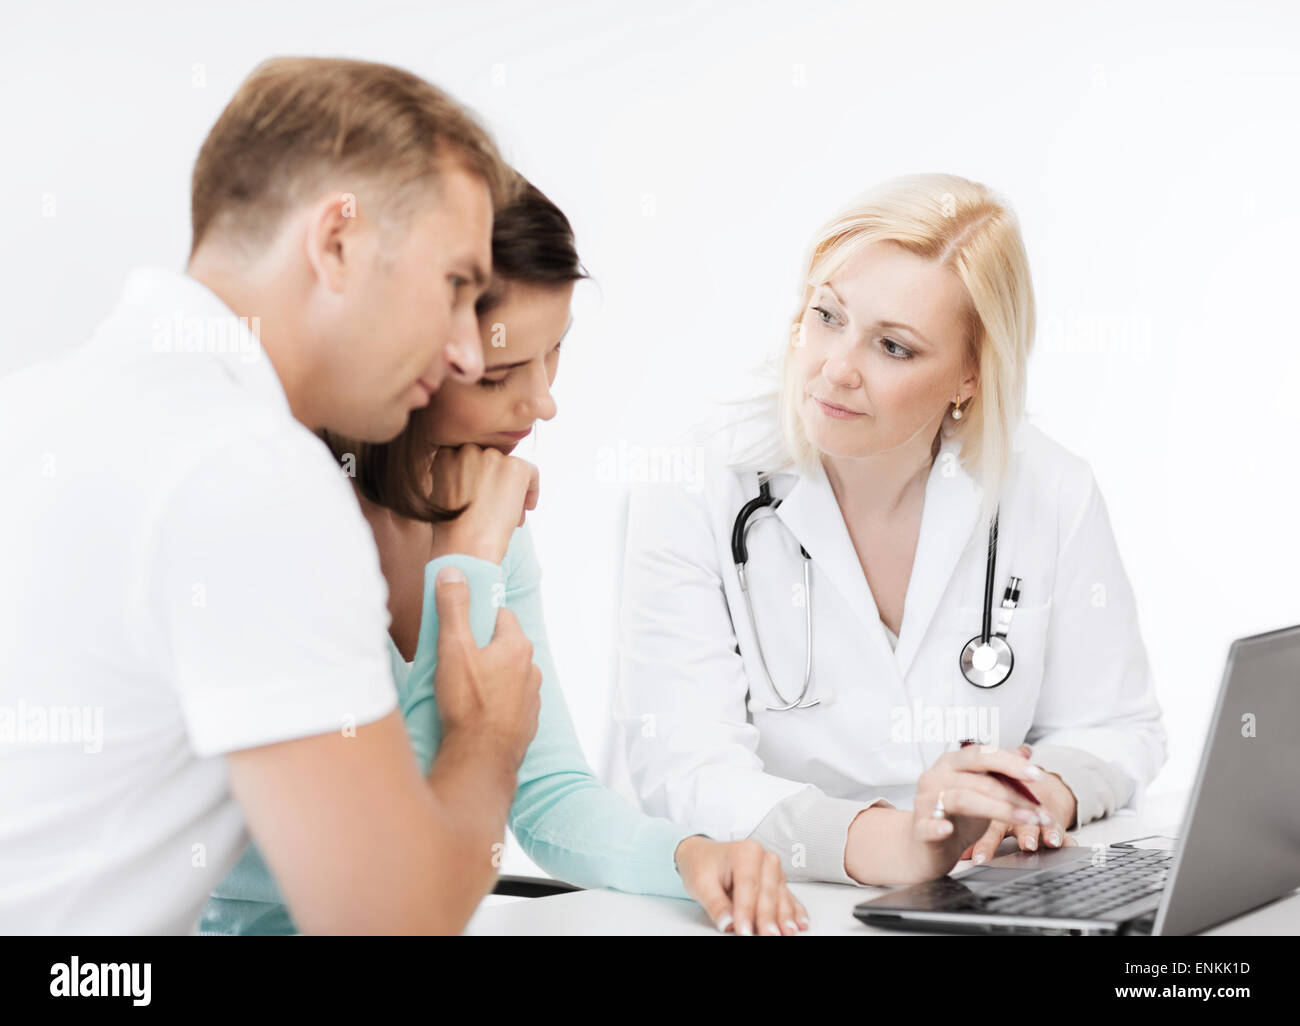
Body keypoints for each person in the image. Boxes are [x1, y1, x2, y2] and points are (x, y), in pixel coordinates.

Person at [0, 56, 543, 934]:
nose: (468, 355)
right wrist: (487, 742)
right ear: (337, 242)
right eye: (453, 286)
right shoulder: (249, 475)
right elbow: (388, 925)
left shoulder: (31, 409)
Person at [201, 177, 811, 937]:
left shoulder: (482, 501)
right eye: (497, 375)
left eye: (554, 353)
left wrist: (688, 854)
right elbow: (389, 855)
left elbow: (546, 791)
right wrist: (464, 571)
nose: (543, 402)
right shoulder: (275, 515)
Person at [616, 172, 1167, 887]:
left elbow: (1119, 727)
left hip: (985, 891)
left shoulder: (1051, 490)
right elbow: (686, 767)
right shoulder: (695, 484)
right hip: (775, 901)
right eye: (828, 316)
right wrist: (898, 843)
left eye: (893, 347)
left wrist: (1031, 797)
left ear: (970, 375)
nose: (836, 369)